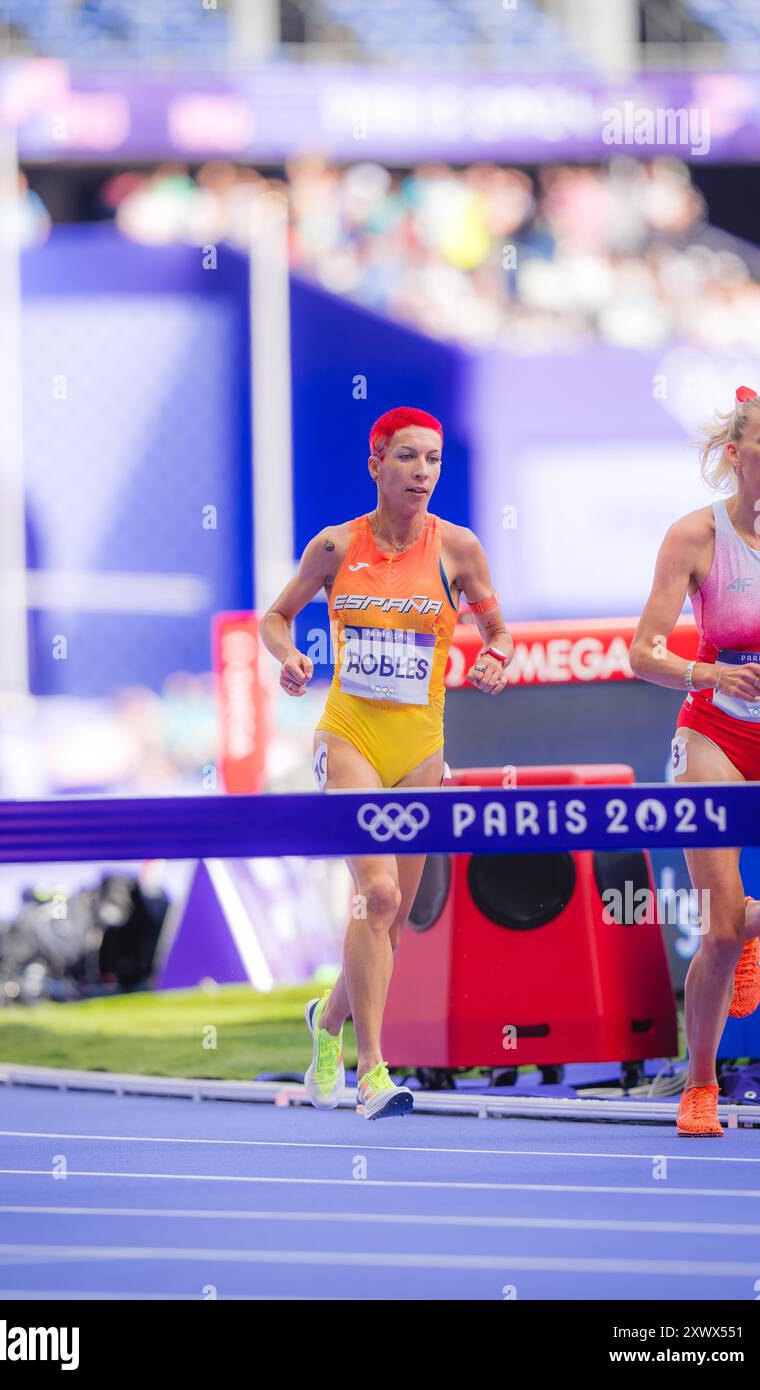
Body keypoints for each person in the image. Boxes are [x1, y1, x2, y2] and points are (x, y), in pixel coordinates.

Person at [260, 406, 512, 1119]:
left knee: (391, 918)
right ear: (376, 465)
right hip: (350, 738)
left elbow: (499, 629)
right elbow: (276, 616)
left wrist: (494, 655)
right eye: (407, 458)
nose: (422, 472)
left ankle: (328, 1021)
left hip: (421, 749)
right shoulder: (338, 547)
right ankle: (374, 1069)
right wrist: (289, 658)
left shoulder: (458, 549)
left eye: (432, 459)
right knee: (377, 894)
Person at [630, 385, 760, 1137]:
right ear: (735, 454)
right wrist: (711, 673)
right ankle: (701, 1086)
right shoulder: (694, 536)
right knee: (717, 932)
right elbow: (645, 652)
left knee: (747, 922)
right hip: (717, 737)